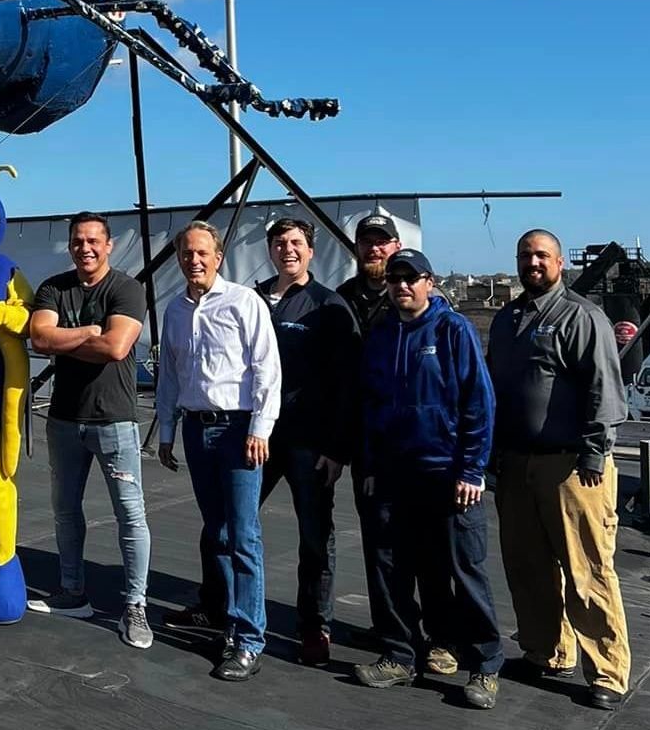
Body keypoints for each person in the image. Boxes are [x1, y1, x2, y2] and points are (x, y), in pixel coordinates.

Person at [352, 249, 504, 710]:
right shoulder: (381, 335)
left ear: (429, 282)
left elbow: (479, 402)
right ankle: (399, 653)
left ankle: (485, 665)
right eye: (395, 278)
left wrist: (472, 468)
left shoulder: (452, 330)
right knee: (389, 567)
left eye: (411, 278)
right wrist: (372, 465)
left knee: (465, 567)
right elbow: (369, 406)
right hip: (395, 473)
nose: (402, 285)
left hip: (447, 472)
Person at [488, 229, 631, 711]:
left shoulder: (582, 316)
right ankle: (545, 652)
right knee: (527, 568)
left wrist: (595, 453)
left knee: (587, 570)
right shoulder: (506, 320)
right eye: (525, 255)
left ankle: (608, 672)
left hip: (573, 466)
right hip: (517, 465)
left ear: (561, 261)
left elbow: (604, 392)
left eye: (542, 255)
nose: (533, 263)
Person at [155, 220, 279, 681]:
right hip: (196, 428)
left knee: (244, 535)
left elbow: (267, 370)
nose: (195, 260)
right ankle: (229, 620)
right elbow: (169, 373)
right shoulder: (174, 311)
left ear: (218, 256)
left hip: (238, 429)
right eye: (187, 253)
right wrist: (166, 431)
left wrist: (260, 428)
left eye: (203, 252)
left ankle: (249, 639)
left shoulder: (244, 302)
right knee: (217, 531)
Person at [335, 211, 456, 676]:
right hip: (372, 445)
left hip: (423, 449)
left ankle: (442, 638)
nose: (374, 250)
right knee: (381, 548)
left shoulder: (426, 305)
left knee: (431, 550)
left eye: (382, 243)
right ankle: (395, 633)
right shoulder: (342, 300)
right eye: (367, 242)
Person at [27, 212, 151, 649]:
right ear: (70, 245)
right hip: (64, 419)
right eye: (79, 241)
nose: (86, 248)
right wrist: (86, 332)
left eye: (94, 241)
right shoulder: (52, 288)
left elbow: (116, 347)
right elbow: (39, 340)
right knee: (65, 509)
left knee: (130, 514)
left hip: (114, 419)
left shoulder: (126, 288)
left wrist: (66, 337)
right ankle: (71, 592)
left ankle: (135, 605)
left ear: (109, 245)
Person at [253, 217, 359, 667]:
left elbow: (346, 381)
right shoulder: (252, 298)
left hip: (308, 440)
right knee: (231, 525)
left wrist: (337, 448)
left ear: (310, 251)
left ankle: (315, 624)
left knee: (315, 536)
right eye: (279, 242)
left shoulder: (327, 306)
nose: (287, 250)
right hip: (256, 436)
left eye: (296, 242)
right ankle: (220, 605)